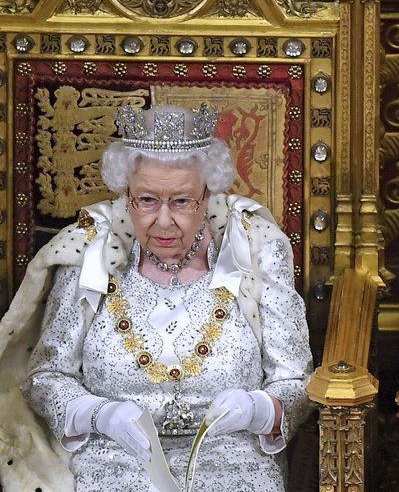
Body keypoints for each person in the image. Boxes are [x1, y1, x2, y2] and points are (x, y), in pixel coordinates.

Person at [0, 103, 312, 491]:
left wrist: (261, 410)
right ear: (126, 194)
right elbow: (46, 376)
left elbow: (297, 380)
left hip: (233, 464)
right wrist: (97, 415)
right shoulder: (88, 252)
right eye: (146, 200)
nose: (163, 221)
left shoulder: (257, 249)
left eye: (182, 201)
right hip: (111, 462)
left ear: (208, 192)